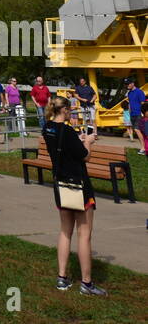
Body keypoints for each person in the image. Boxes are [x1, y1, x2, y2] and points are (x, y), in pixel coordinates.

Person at [43, 94, 106, 295]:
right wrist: (87, 141)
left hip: (60, 184)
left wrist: (78, 141)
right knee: (84, 234)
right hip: (78, 185)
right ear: (64, 110)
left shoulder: (48, 128)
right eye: (69, 110)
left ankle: (62, 277)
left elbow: (67, 148)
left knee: (65, 231)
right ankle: (86, 283)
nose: (71, 113)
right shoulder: (67, 131)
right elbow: (85, 156)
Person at [125, 80, 146, 145]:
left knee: (137, 130)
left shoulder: (139, 92)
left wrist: (143, 114)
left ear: (133, 84)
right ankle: (144, 147)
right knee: (137, 130)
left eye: (128, 84)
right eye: (126, 84)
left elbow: (143, 103)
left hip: (139, 114)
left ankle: (143, 148)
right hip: (132, 114)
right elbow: (130, 103)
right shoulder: (129, 93)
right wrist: (129, 110)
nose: (127, 85)